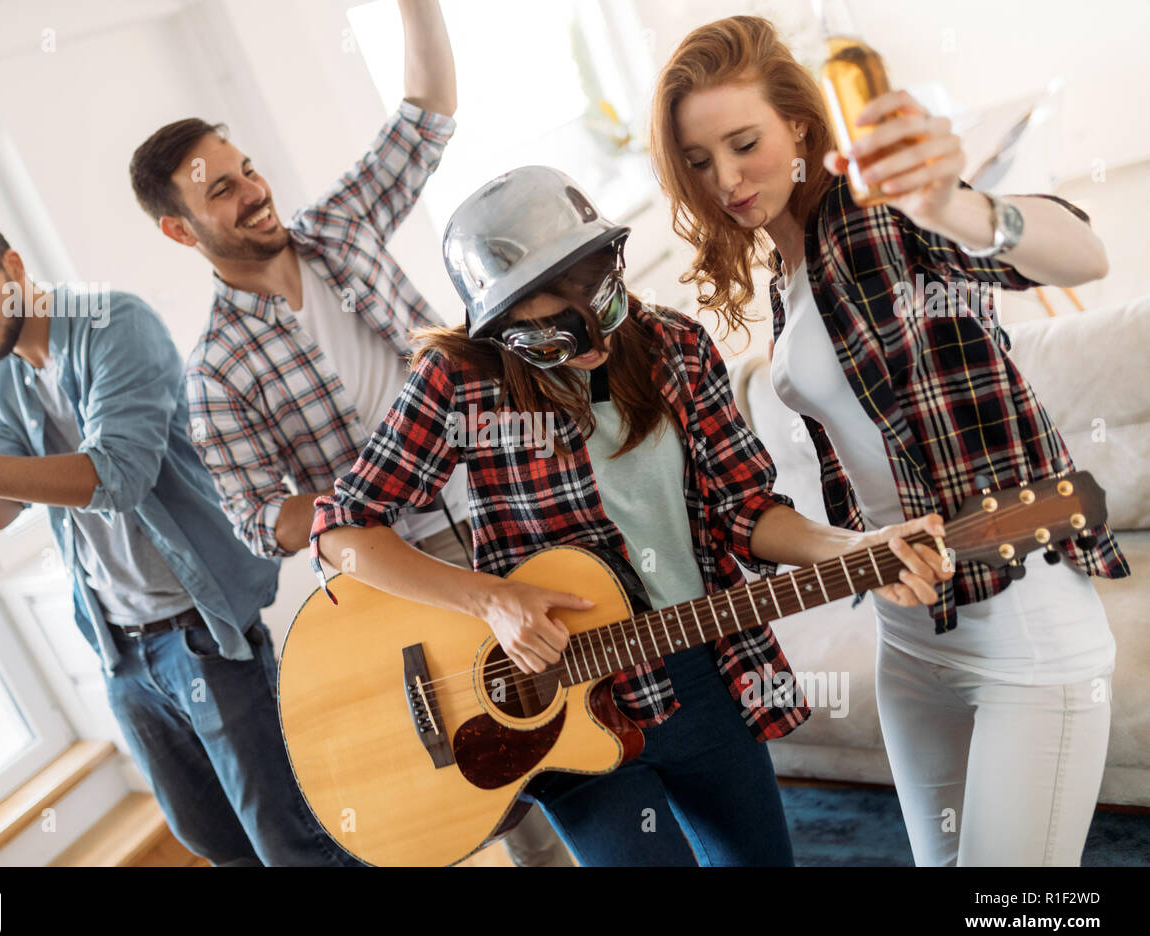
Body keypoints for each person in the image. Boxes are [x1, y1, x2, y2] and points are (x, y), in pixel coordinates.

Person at [306, 165, 952, 866]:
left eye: (600, 310)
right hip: (555, 707)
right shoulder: (461, 383)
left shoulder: (676, 345)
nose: (588, 347)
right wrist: (492, 601)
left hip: (705, 672)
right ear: (499, 329)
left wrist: (856, 549)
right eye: (550, 339)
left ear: (611, 265)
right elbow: (342, 533)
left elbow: (746, 509)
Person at [648, 15, 1130, 866]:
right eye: (697, 161)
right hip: (909, 640)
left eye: (743, 142)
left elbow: (1082, 254)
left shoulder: (875, 217)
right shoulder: (784, 271)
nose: (724, 178)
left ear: (798, 121)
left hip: (1022, 627)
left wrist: (958, 205)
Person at [127, 0, 569, 866]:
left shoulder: (340, 226)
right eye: (221, 188)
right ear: (181, 229)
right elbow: (257, 518)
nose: (253, 189)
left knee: (598, 706)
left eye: (246, 168)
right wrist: (349, 503)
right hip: (407, 567)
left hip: (509, 496)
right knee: (516, 780)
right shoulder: (215, 369)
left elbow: (427, 113)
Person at [0, 201, 347, 867]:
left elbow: (115, 476)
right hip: (121, 651)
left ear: (11, 264)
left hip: (200, 633)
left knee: (293, 843)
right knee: (215, 843)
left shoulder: (113, 321)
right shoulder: (4, 374)